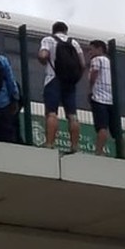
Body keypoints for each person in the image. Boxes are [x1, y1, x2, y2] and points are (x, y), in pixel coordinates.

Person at [38, 21, 85, 152]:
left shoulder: (48, 39)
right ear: (66, 31)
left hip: (53, 79)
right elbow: (82, 64)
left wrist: (42, 58)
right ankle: (75, 146)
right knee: (72, 115)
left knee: (52, 113)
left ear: (53, 30)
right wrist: (76, 78)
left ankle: (49, 143)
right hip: (70, 82)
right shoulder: (74, 43)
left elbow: (43, 55)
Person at [86, 40, 121, 156]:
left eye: (91, 49)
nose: (89, 52)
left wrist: (90, 88)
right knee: (117, 129)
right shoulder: (110, 62)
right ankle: (124, 154)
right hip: (111, 98)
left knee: (102, 127)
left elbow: (94, 72)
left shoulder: (96, 60)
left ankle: (99, 152)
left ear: (99, 49)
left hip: (99, 98)